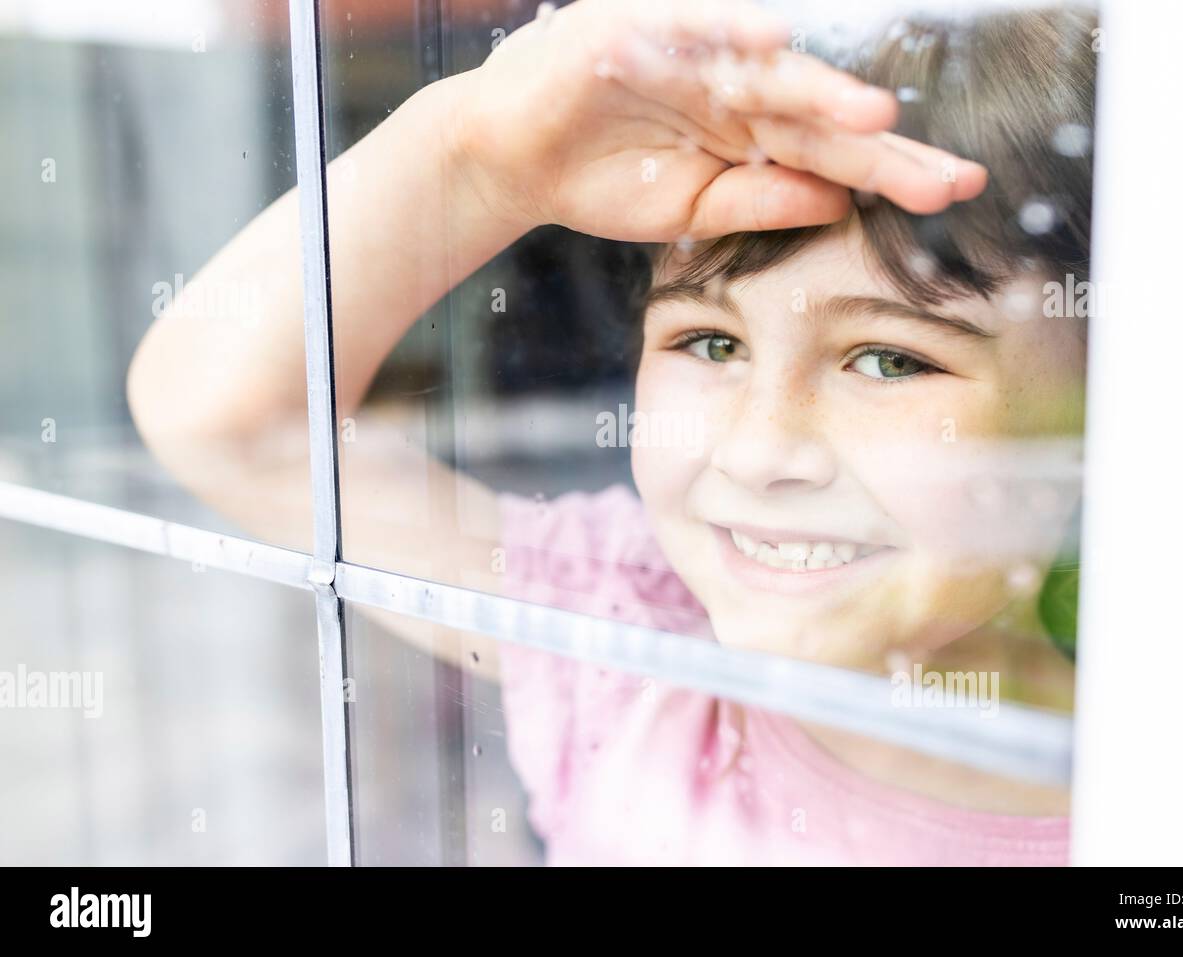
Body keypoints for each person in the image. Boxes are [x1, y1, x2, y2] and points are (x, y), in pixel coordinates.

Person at [128, 0, 1095, 864]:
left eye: (889, 360)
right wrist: (478, 157)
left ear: (1109, 402)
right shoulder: (632, 630)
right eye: (710, 341)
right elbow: (227, 420)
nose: (758, 453)